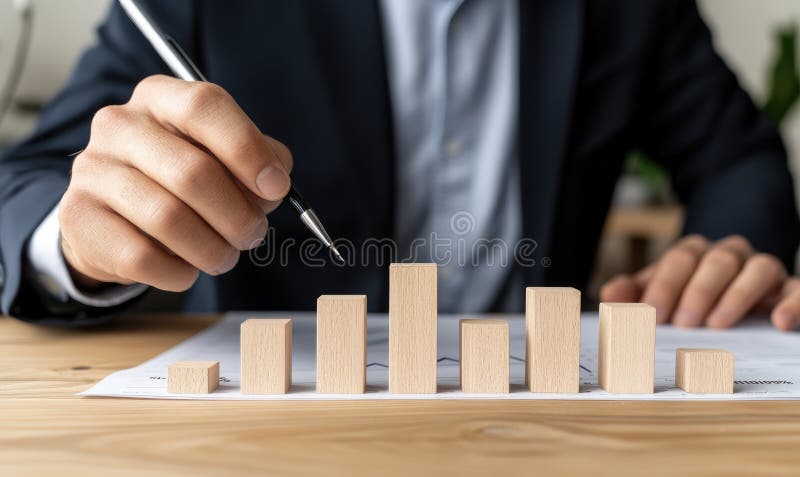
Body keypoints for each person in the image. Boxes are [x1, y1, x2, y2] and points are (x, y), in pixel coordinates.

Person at [1, 0, 799, 330]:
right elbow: (27, 183)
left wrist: (729, 249)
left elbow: (738, 158)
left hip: (533, 417)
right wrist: (75, 243)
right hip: (272, 431)